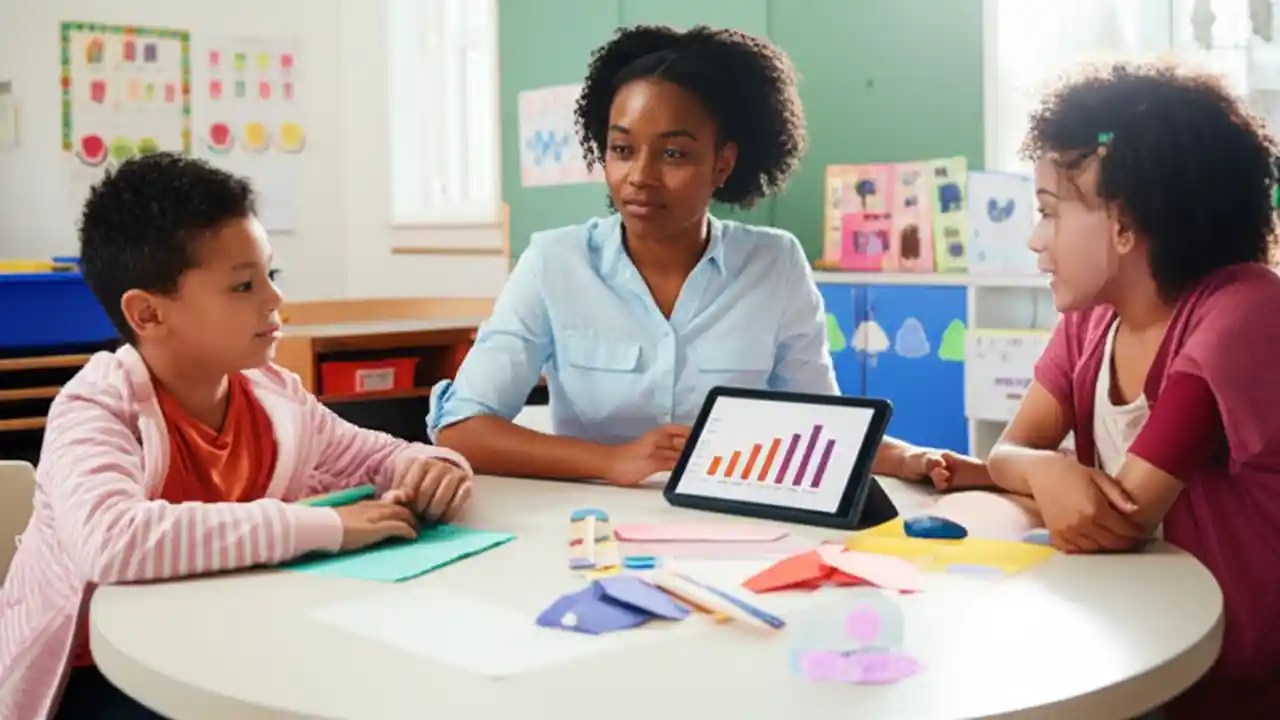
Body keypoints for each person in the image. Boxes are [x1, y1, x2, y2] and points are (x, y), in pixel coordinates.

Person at [0, 154, 474, 719]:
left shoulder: (275, 397)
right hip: (95, 673)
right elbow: (112, 540)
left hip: (226, 645)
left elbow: (377, 456)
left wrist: (433, 465)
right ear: (148, 314)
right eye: (244, 285)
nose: (274, 302)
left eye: (271, 275)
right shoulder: (98, 408)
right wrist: (324, 526)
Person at [430, 24, 988, 488]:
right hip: (588, 525)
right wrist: (613, 462)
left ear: (723, 163)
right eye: (622, 150)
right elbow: (462, 428)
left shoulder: (775, 265)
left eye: (673, 152)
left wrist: (913, 459)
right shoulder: (554, 263)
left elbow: (824, 427)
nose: (640, 176)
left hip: (740, 521)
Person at [985, 61, 1280, 716]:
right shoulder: (1089, 321)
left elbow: (1126, 515)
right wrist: (1046, 468)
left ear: (1123, 222)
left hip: (1230, 679)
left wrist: (1040, 472)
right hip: (1134, 648)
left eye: (1049, 213)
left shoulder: (1244, 308)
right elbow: (1008, 451)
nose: (1036, 241)